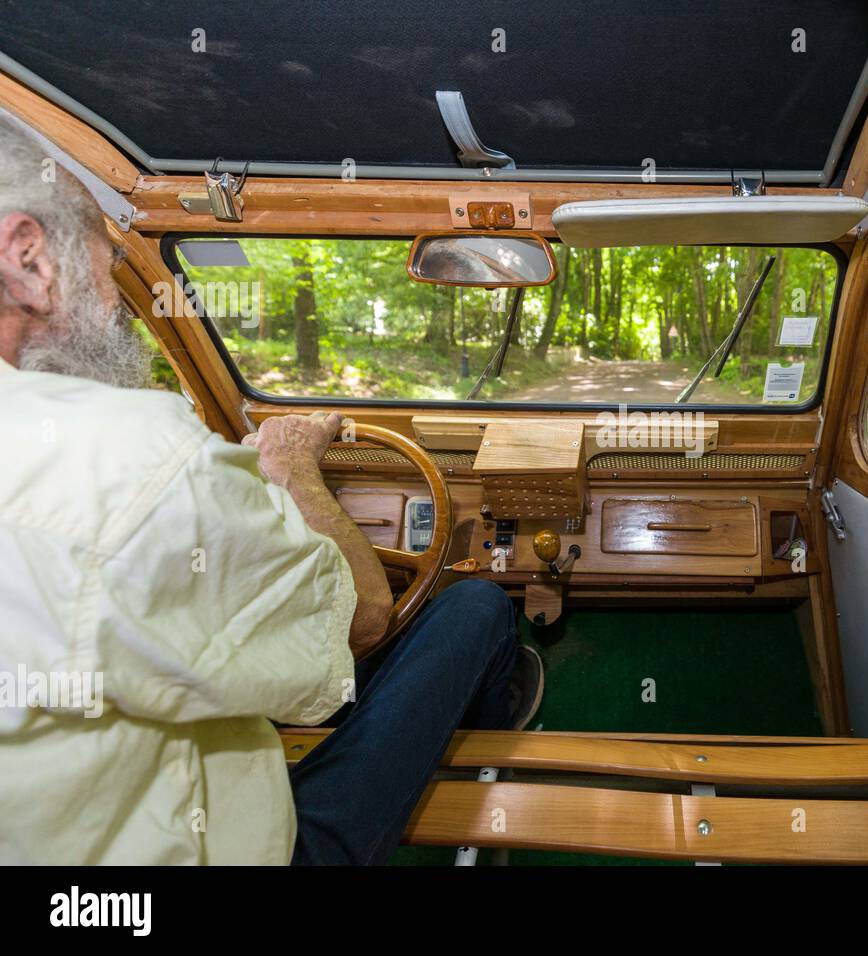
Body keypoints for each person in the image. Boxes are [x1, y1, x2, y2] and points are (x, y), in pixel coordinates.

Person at [0, 116, 542, 865]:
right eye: (107, 267)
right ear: (27, 256)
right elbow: (365, 622)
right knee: (478, 606)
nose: (118, 305)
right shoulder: (134, 453)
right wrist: (294, 474)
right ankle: (489, 745)